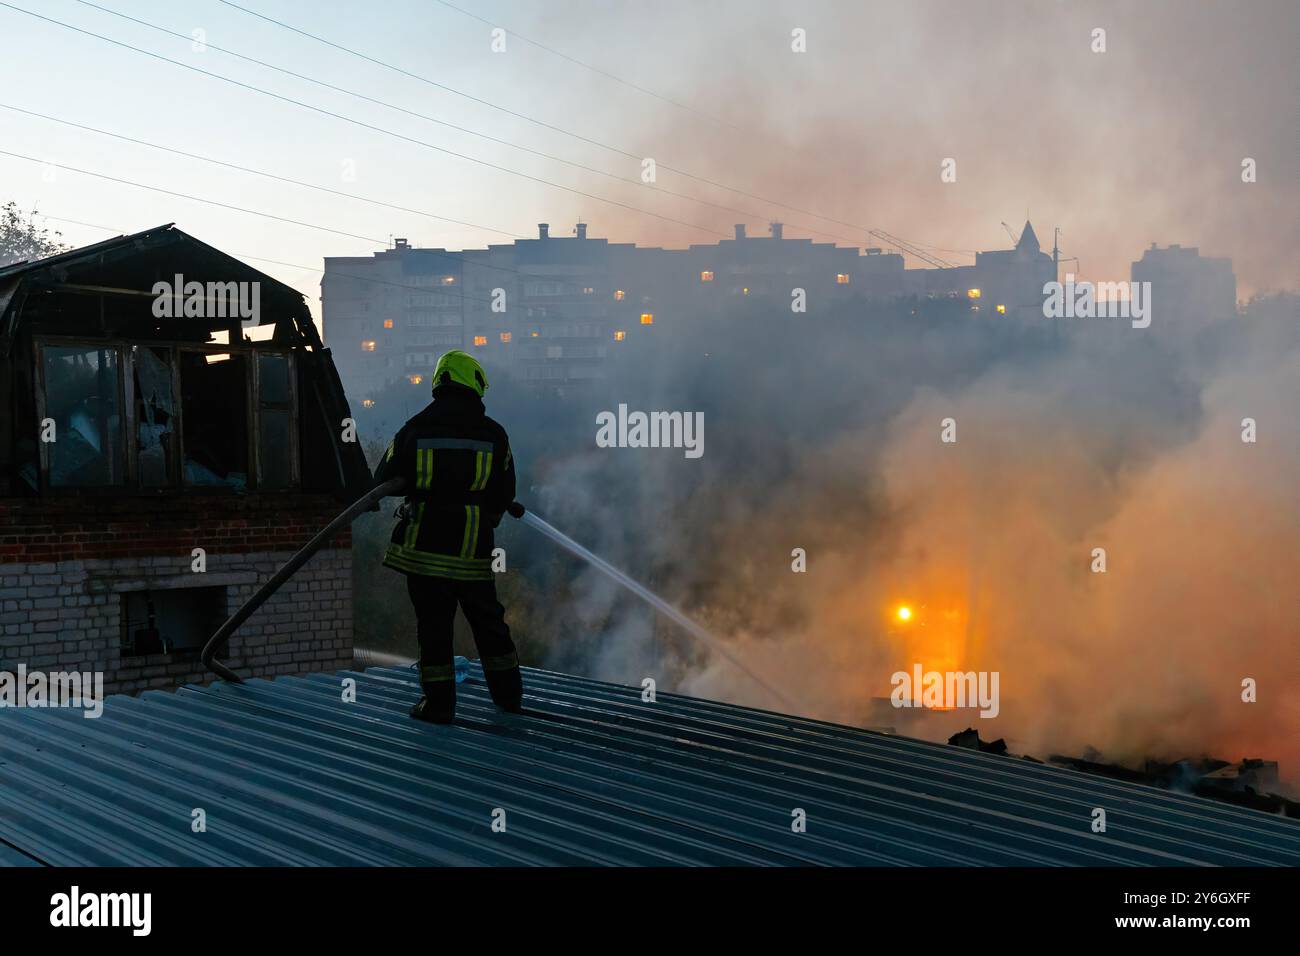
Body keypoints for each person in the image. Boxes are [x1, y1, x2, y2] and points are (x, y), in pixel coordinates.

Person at [373, 349, 522, 723]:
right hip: (473, 553)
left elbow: (382, 479)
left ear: (440, 383)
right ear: (473, 384)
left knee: (434, 628)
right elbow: (504, 493)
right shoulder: (495, 434)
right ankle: (509, 696)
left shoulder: (415, 428)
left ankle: (438, 706)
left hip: (424, 553)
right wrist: (486, 513)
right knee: (489, 624)